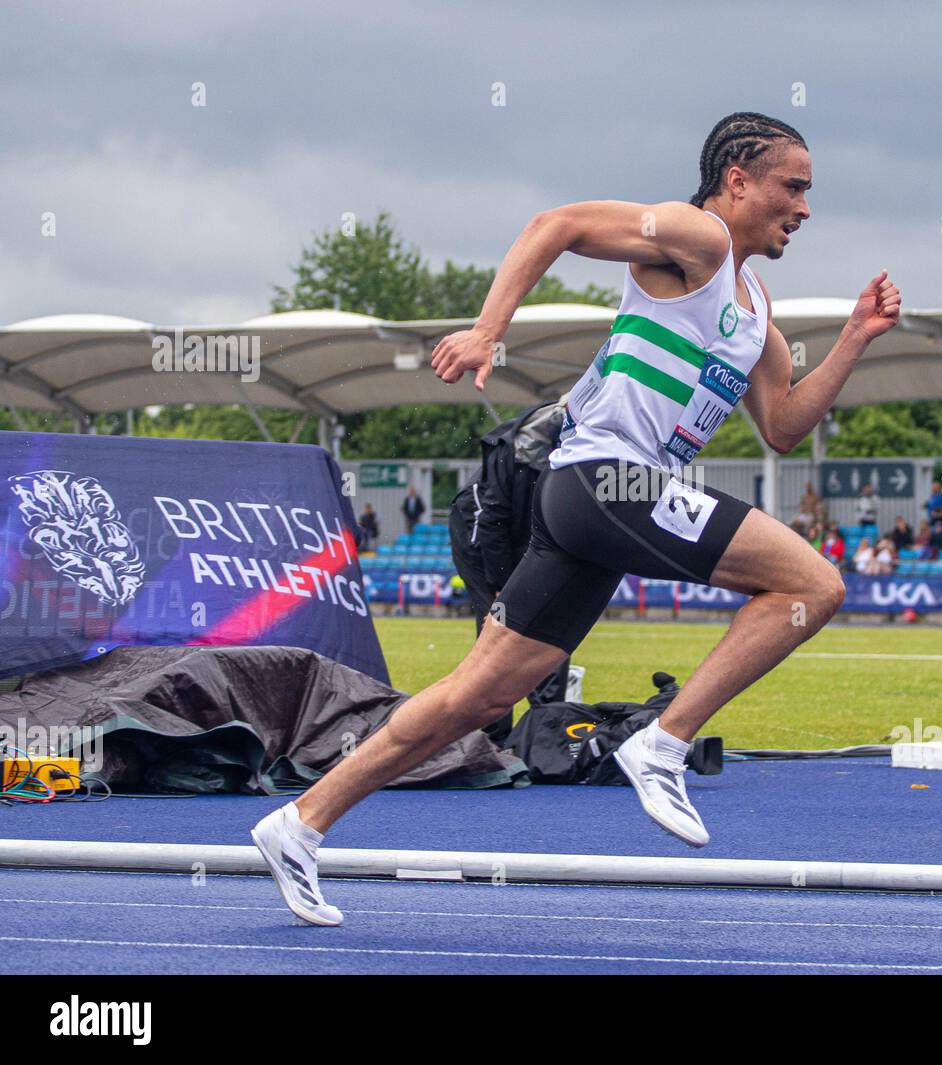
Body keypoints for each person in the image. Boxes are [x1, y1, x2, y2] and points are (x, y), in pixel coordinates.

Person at [251, 111, 902, 925]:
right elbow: (553, 225)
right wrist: (490, 330)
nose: (805, 208)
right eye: (792, 186)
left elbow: (784, 424)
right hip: (603, 481)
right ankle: (661, 743)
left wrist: (854, 337)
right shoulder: (696, 238)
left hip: (597, 509)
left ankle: (300, 822)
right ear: (737, 179)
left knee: (477, 699)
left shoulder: (755, 309)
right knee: (812, 582)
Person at [449, 400, 571, 741]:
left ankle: (546, 729)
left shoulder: (592, 449)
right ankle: (491, 737)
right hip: (481, 537)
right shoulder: (517, 453)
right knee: (497, 628)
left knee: (555, 623)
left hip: (530, 536)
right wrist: (501, 586)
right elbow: (491, 524)